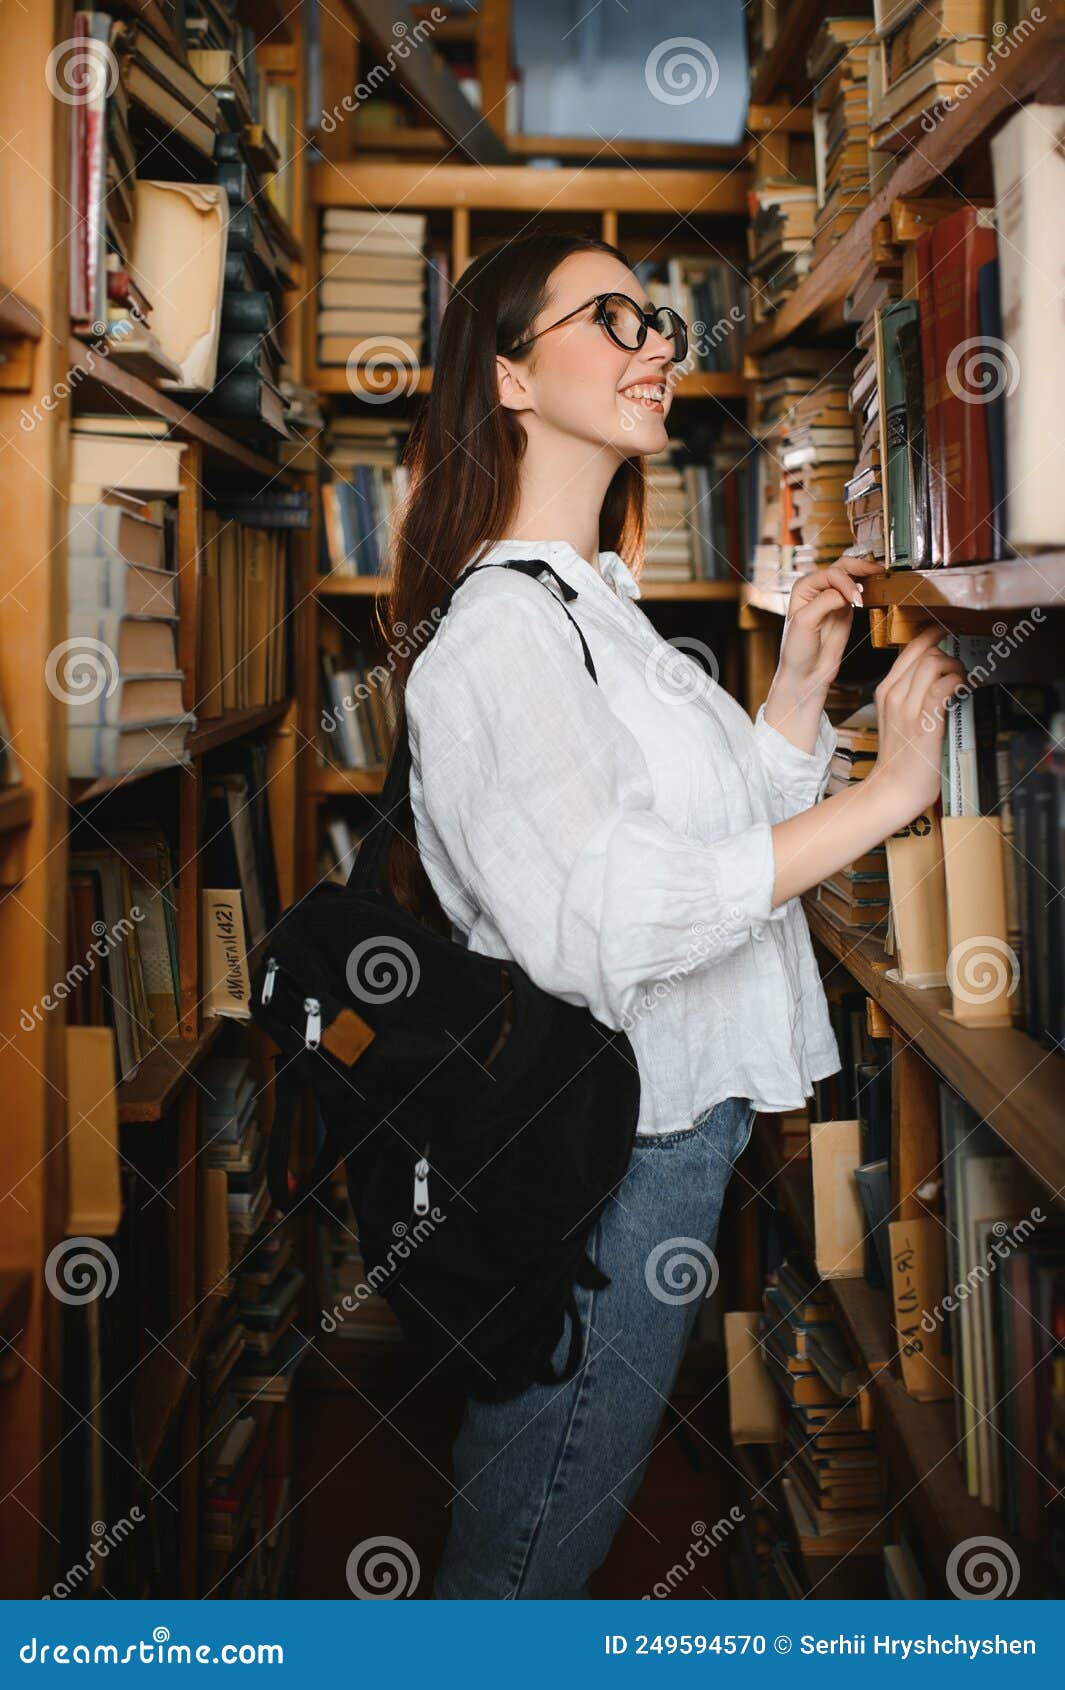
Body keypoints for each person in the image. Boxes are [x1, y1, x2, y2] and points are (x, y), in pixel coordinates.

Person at [381, 232, 964, 1598]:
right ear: (511, 377)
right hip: (611, 1161)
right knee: (528, 1553)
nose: (658, 342)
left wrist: (801, 694)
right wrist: (891, 801)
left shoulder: (596, 604)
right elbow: (607, 923)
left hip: (665, 1144)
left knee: (543, 1514)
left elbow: (703, 844)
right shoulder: (497, 636)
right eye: (614, 317)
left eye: (661, 322)